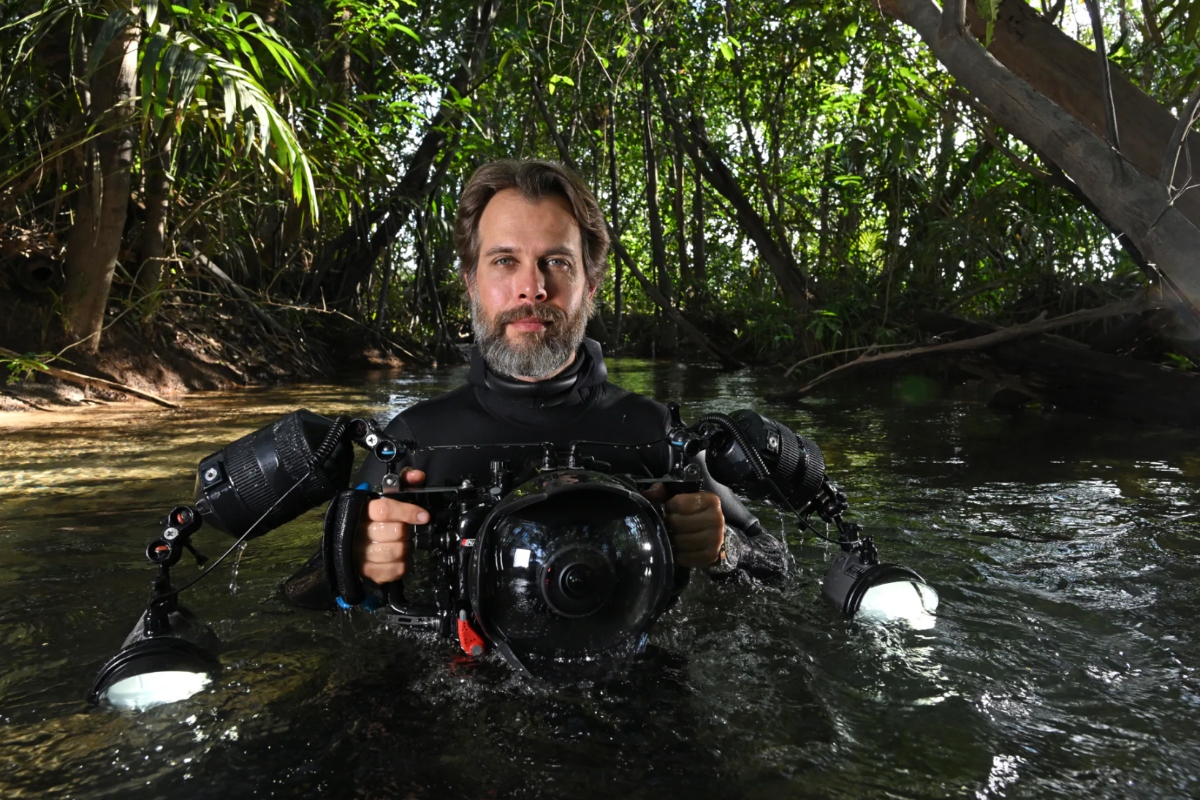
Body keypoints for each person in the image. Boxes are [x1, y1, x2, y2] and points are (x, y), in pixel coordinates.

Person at [350, 160, 788, 593]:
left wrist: (724, 550)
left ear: (591, 286)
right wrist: (354, 559)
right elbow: (305, 599)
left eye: (556, 261)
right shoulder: (412, 443)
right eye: (504, 260)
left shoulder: (656, 436)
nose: (532, 287)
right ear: (470, 283)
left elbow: (776, 567)